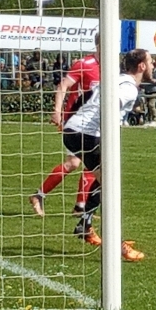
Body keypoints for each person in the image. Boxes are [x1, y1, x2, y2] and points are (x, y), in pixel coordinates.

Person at [32, 49, 149, 263]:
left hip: (76, 130)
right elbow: (109, 106)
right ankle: (117, 244)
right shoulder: (129, 88)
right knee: (111, 186)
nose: (152, 66)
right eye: (150, 62)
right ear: (142, 66)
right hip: (85, 134)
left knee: (102, 178)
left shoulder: (118, 78)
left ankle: (84, 225)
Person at [51, 38, 101, 212]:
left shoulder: (111, 67)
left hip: (95, 122)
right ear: (99, 44)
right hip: (76, 122)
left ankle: (80, 206)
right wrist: (57, 110)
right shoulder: (84, 64)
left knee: (93, 163)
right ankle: (39, 195)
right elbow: (63, 85)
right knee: (74, 163)